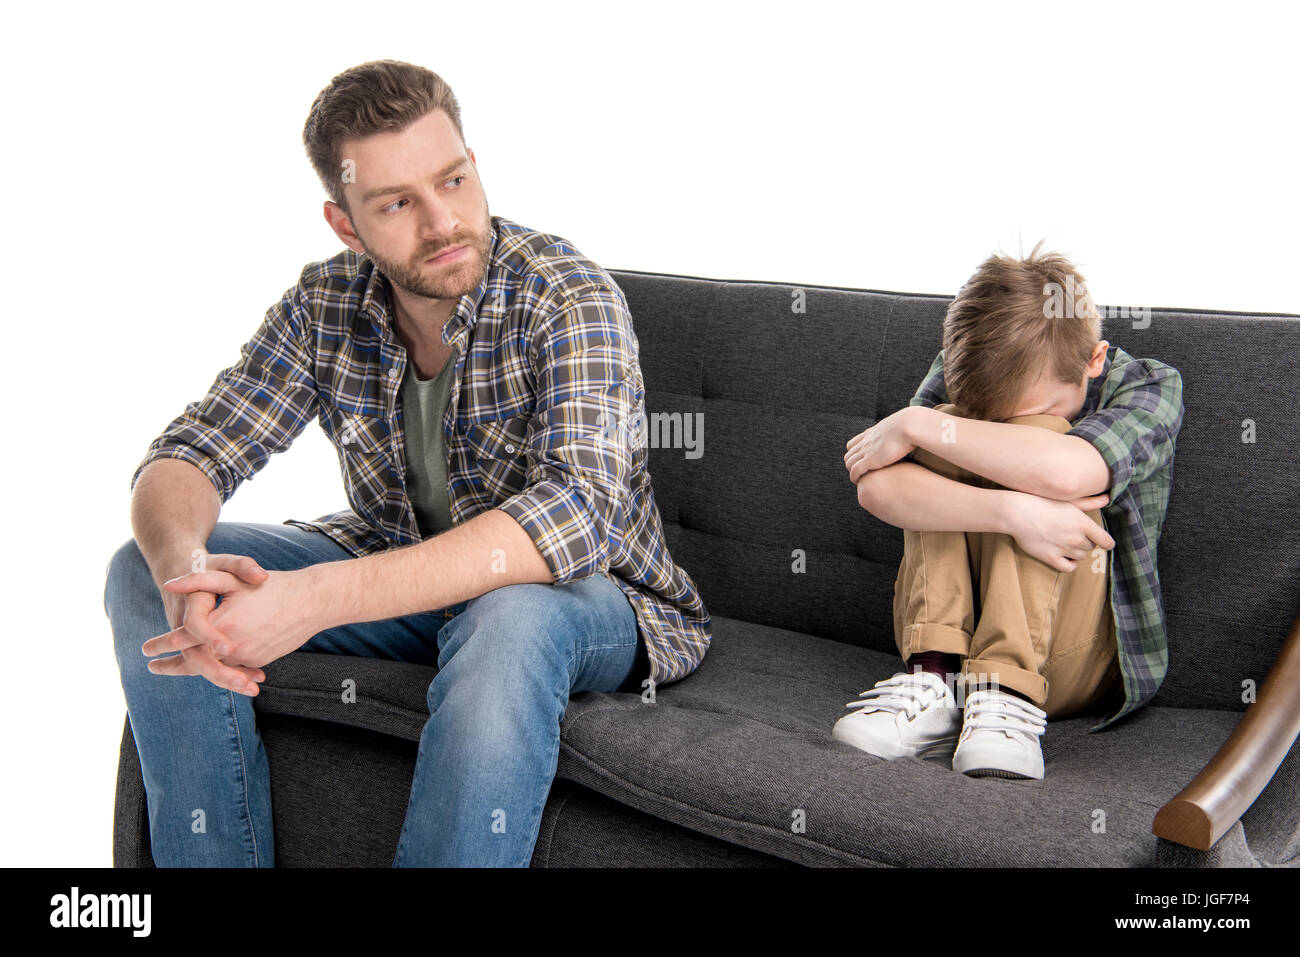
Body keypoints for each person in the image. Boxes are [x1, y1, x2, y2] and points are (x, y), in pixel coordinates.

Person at [104, 59, 710, 866]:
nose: (443, 222)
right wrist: (187, 566)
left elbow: (573, 515)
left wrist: (315, 598)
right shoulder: (325, 305)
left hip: (592, 601)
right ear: (346, 225)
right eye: (397, 203)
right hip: (405, 571)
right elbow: (190, 452)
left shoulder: (566, 293)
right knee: (148, 574)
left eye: (454, 180)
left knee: (508, 613)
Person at [835, 244, 1184, 779]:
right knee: (953, 430)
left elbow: (1068, 473)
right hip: (952, 638)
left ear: (1094, 359)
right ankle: (935, 682)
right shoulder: (967, 367)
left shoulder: (1149, 385)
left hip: (1074, 659)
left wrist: (912, 424)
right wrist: (1012, 512)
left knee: (1034, 443)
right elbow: (876, 488)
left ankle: (1007, 693)